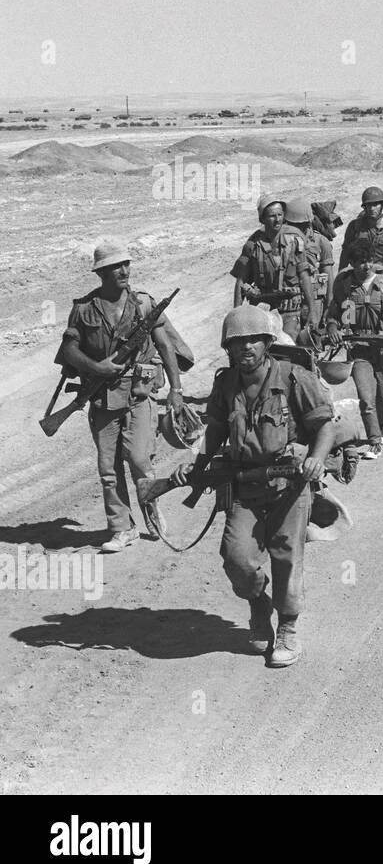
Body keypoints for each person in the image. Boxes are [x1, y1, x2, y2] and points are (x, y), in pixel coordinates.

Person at [195, 305, 333, 666]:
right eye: (237, 342)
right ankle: (259, 603)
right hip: (244, 484)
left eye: (254, 340)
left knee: (287, 557)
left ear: (268, 341)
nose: (246, 348)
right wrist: (195, 467)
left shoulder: (293, 378)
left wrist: (316, 457)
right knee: (237, 558)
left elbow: (324, 426)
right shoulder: (225, 384)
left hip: (290, 485)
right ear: (228, 348)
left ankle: (287, 627)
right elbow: (216, 431)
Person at [58, 240, 187, 552]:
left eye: (126, 264)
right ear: (101, 272)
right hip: (102, 399)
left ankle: (153, 516)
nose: (124, 270)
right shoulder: (84, 309)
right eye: (116, 266)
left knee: (141, 460)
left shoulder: (143, 304)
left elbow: (166, 346)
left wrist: (177, 391)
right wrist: (97, 367)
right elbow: (68, 350)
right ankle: (122, 528)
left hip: (139, 396)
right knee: (108, 471)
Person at [326, 262, 383, 459]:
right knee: (366, 399)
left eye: (367, 260)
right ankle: (374, 442)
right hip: (358, 350)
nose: (364, 266)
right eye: (359, 261)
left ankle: (381, 427)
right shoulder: (345, 287)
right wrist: (332, 328)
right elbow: (333, 314)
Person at [231, 196, 319, 341]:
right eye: (272, 216)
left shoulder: (295, 238)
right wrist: (236, 315)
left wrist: (312, 311)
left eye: (280, 215)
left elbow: (304, 277)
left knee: (287, 345)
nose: (277, 219)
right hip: (263, 311)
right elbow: (241, 281)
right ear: (263, 219)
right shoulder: (253, 244)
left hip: (290, 311)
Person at [283, 198, 333, 338]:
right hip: (292, 300)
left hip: (316, 300)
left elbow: (328, 274)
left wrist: (329, 303)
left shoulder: (321, 241)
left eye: (302, 224)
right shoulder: (283, 241)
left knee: (310, 339)